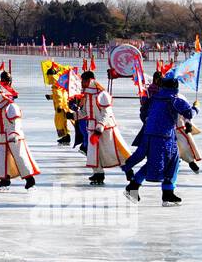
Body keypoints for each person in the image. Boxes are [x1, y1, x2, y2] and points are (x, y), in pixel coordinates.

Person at [124, 77, 195, 205]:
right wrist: (196, 108)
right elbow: (189, 113)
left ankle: (168, 193)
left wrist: (149, 122)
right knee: (158, 164)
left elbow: (143, 112)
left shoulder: (154, 98)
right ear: (175, 87)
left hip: (154, 134)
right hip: (162, 137)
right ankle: (132, 188)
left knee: (171, 162)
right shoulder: (173, 99)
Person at [0, 79, 39, 190]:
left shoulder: (10, 105)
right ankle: (5, 179)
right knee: (1, 159)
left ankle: (30, 179)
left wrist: (14, 134)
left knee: (20, 157)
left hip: (13, 137)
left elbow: (16, 121)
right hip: (1, 137)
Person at [77, 71, 129, 185]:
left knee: (114, 151)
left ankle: (128, 170)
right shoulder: (87, 94)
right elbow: (86, 112)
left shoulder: (102, 94)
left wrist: (100, 127)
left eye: (83, 80)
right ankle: (98, 173)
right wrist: (73, 115)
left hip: (105, 128)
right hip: (92, 128)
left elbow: (107, 112)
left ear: (90, 80)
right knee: (93, 153)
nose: (82, 83)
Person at [41, 61, 73, 146]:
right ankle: (65, 135)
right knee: (62, 122)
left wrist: (59, 106)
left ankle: (66, 136)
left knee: (59, 122)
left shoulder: (56, 86)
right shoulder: (59, 84)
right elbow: (58, 95)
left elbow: (59, 96)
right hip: (64, 106)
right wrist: (50, 97)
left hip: (61, 107)